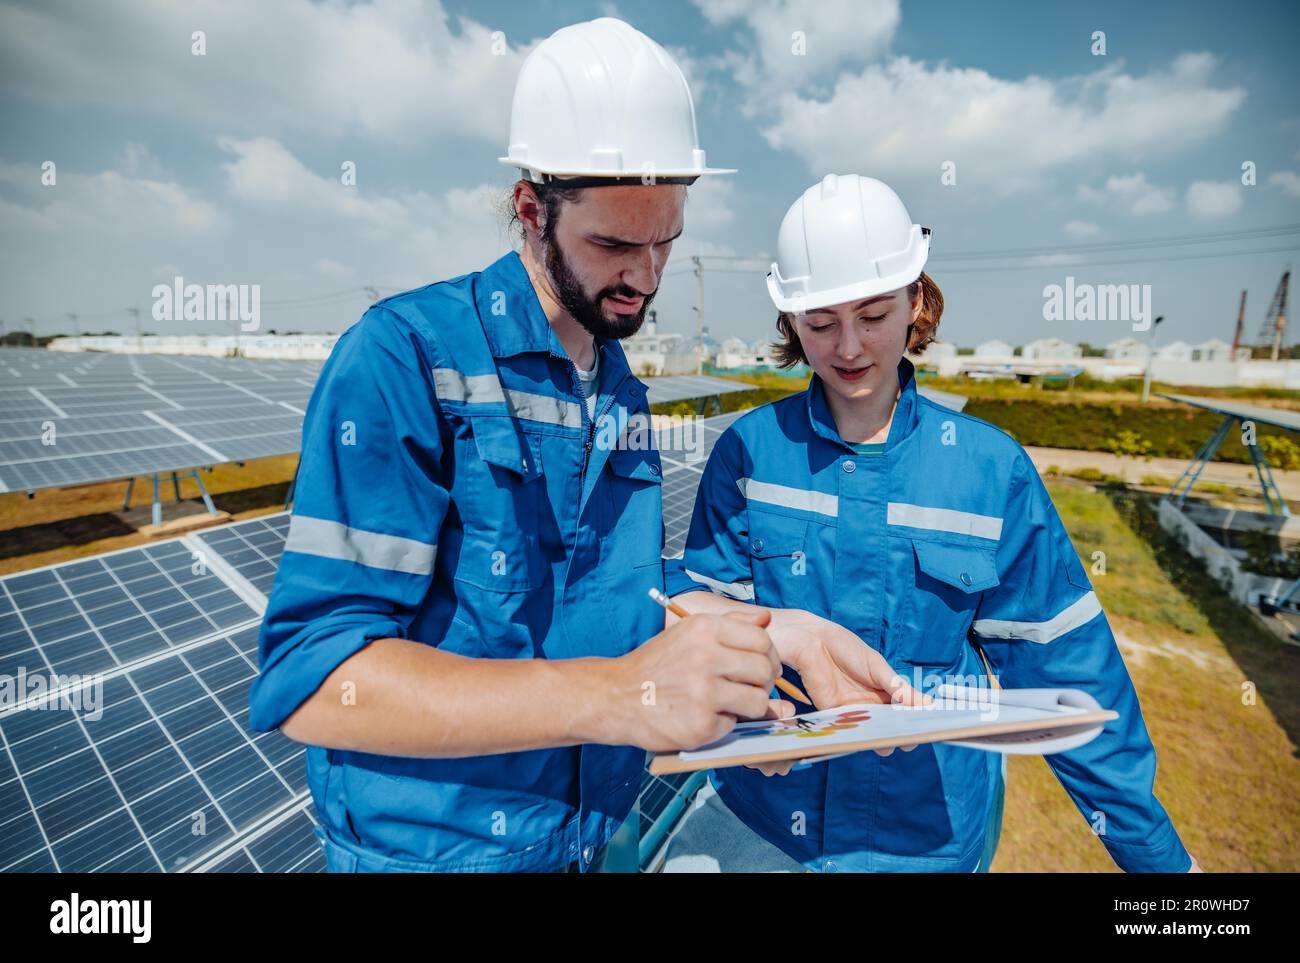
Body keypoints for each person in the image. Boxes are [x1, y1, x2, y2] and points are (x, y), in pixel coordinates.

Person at [249, 20, 914, 874]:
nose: (647, 274)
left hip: (596, 839)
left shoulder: (617, 385)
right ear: (532, 210)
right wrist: (624, 695)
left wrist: (782, 631)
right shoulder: (406, 357)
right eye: (613, 244)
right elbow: (316, 677)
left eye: (666, 237)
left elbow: (613, 592)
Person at [662, 174, 1201, 873]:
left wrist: (1160, 863)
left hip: (924, 840)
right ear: (790, 322)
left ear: (916, 300)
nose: (849, 346)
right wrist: (750, 712)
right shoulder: (752, 452)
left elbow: (1066, 664)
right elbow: (706, 622)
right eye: (821, 323)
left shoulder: (988, 470)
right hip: (765, 822)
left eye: (874, 314)